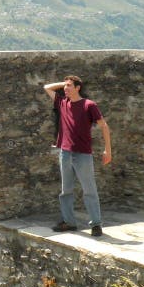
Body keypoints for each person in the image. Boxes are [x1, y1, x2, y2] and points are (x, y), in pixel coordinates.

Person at [44, 75, 111, 237]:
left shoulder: (89, 105)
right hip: (65, 153)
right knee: (65, 190)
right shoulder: (62, 103)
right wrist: (64, 83)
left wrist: (107, 150)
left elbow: (104, 126)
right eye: (65, 86)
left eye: (69, 86)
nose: (65, 89)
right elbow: (47, 87)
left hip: (82, 154)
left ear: (78, 87)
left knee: (89, 190)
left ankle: (96, 224)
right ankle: (69, 222)